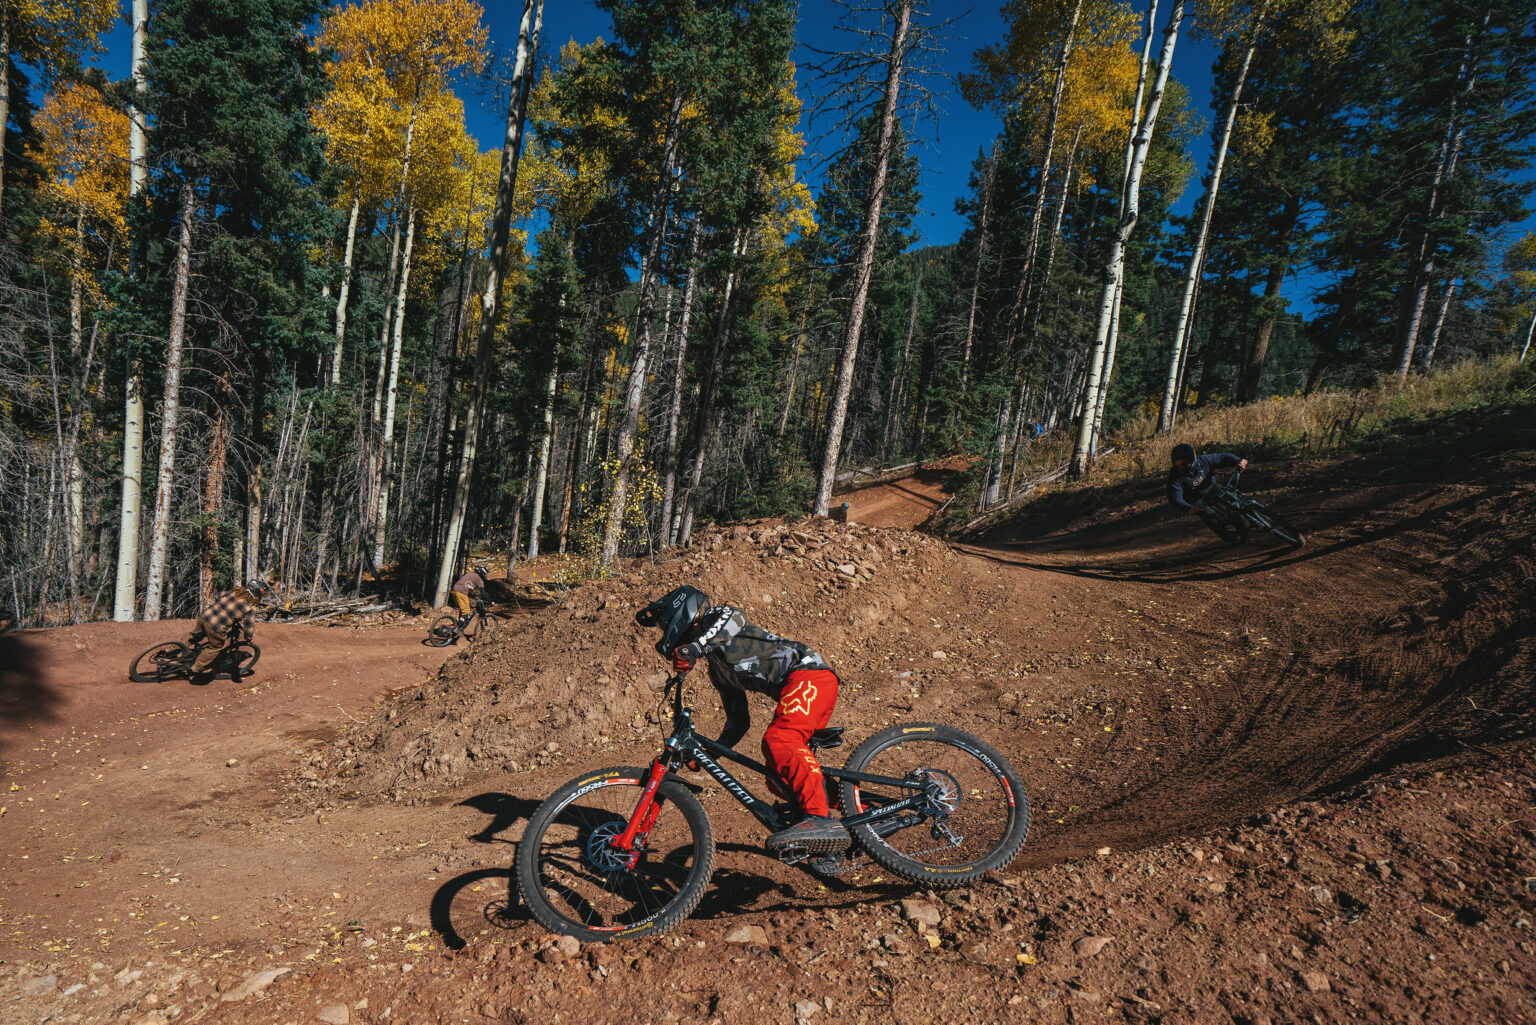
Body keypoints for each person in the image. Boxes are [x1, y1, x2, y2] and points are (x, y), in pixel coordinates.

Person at [636, 585, 849, 855]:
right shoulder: (718, 671)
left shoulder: (718, 616)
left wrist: (696, 647)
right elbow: (738, 722)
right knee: (778, 778)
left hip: (808, 675)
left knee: (781, 739)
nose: (665, 629)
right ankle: (858, 810)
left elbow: (735, 618)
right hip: (802, 686)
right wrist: (709, 754)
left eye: (664, 623)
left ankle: (819, 820)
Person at [189, 577, 272, 677]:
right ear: (258, 592)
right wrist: (248, 638)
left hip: (205, 616)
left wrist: (225, 607)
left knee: (195, 636)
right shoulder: (251, 606)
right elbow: (248, 625)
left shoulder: (234, 592)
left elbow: (218, 596)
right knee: (215, 647)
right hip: (215, 626)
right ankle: (196, 668)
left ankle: (175, 650)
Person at [1167, 443, 1250, 541]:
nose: (1183, 465)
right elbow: (1175, 498)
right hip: (1196, 499)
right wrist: (1189, 508)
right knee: (1209, 515)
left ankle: (1244, 526)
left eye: (1186, 461)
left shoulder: (1203, 460)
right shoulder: (1174, 477)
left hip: (1212, 487)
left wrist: (1238, 461)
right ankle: (1227, 536)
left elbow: (1223, 457)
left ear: (1193, 457)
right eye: (1179, 463)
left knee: (1234, 503)